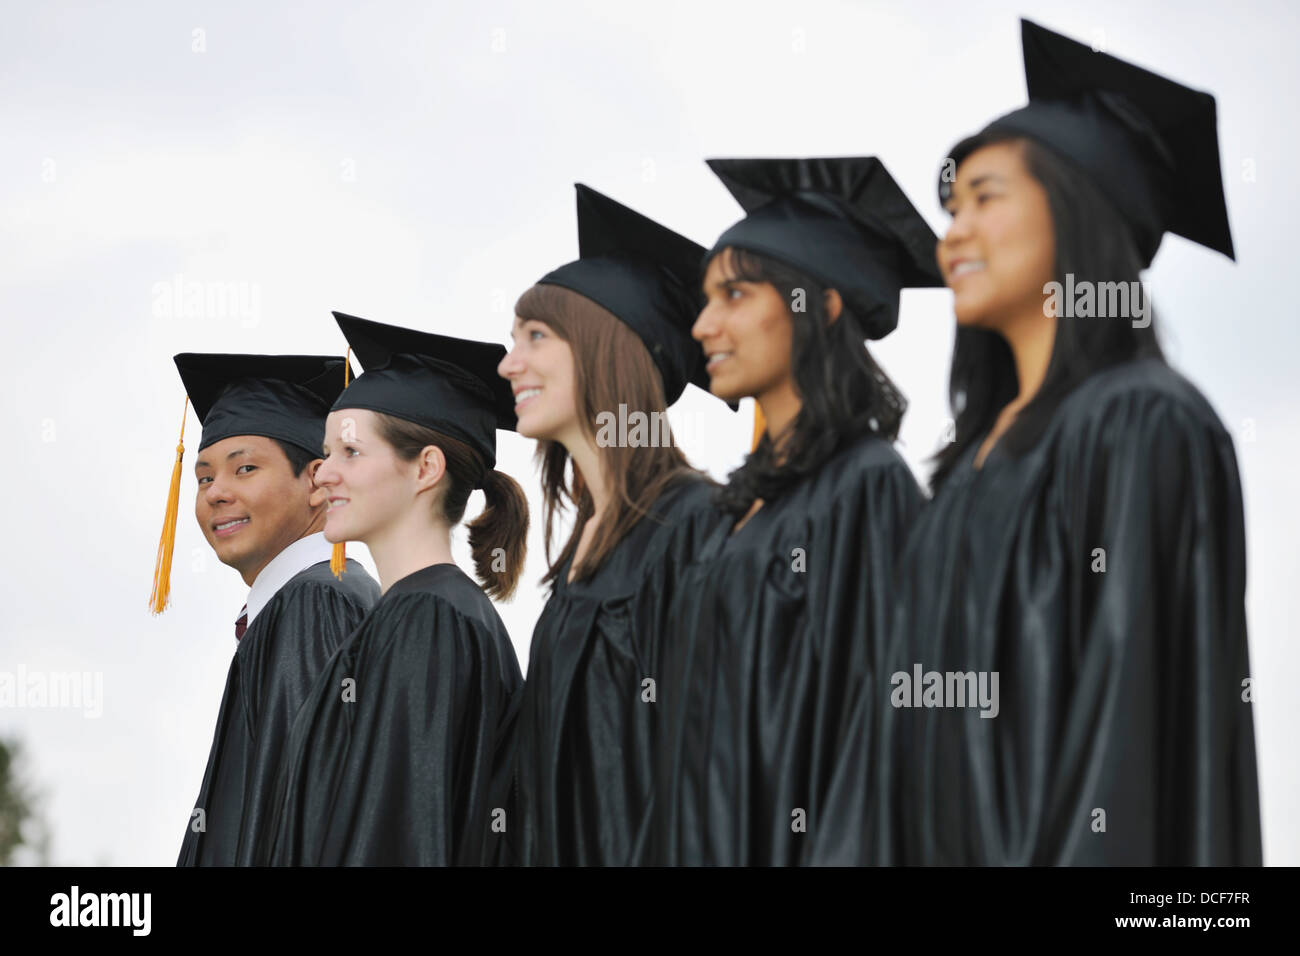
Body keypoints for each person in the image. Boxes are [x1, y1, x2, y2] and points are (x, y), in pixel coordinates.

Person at [884, 19, 1262, 865]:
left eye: (986, 197)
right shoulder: (961, 475)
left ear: (1077, 209)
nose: (953, 234)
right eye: (951, 207)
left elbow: (1124, 755)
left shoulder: (1144, 423)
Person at [639, 156, 942, 865]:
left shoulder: (869, 489)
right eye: (706, 299)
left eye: (736, 295)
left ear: (822, 305)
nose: (704, 324)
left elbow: (876, 751)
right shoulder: (729, 513)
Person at [497, 184, 731, 865]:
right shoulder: (580, 558)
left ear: (612, 351)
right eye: (512, 340)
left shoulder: (693, 528)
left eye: (536, 337)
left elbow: (706, 778)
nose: (509, 363)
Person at [263, 313, 527, 866]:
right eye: (326, 451)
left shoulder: (430, 621)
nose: (322, 473)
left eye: (350, 453)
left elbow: (400, 844)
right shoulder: (415, 616)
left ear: (425, 468)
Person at [164, 353, 381, 866]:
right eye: (203, 478)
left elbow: (311, 827)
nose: (217, 493)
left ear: (316, 482)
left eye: (245, 468)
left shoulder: (315, 602)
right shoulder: (314, 599)